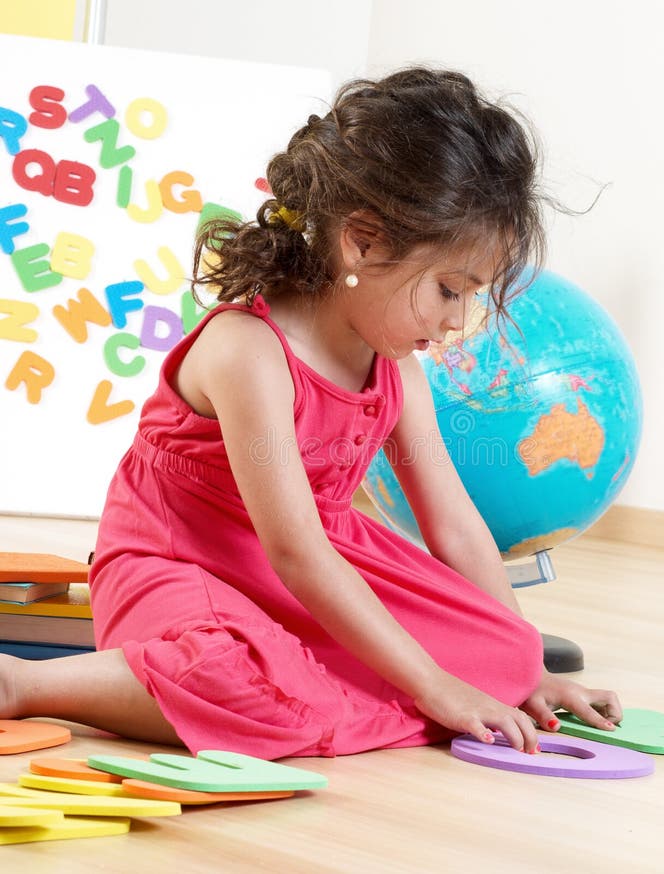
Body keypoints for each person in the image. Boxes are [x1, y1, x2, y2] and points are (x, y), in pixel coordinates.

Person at [0, 68, 621, 758]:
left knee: (501, 652)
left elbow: (453, 525)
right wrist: (431, 687)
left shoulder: (398, 372)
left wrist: (525, 669)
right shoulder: (248, 350)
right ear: (362, 241)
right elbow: (294, 547)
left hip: (313, 566)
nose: (457, 322)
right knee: (240, 681)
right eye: (449, 290)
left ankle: (329, 689)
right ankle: (25, 684)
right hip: (184, 563)